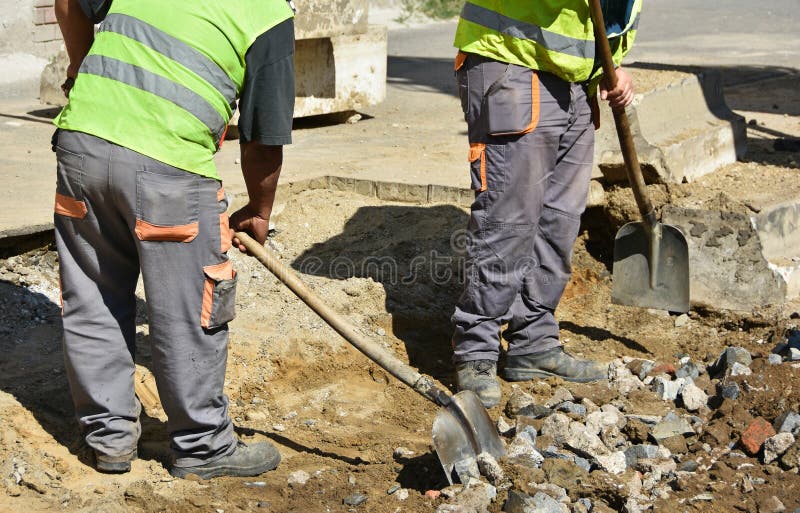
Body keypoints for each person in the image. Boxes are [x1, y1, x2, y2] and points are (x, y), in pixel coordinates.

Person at [52, 0, 295, 477]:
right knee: (189, 308)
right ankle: (204, 448)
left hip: (80, 146)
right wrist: (259, 211)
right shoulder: (268, 13)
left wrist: (82, 69)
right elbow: (264, 137)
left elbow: (67, 3)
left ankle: (109, 441)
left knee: (93, 297)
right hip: (167, 168)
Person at [451, 0, 642, 408]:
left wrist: (610, 65)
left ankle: (534, 341)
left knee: (559, 219)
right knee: (507, 217)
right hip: (513, 61)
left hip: (574, 80)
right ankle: (477, 351)